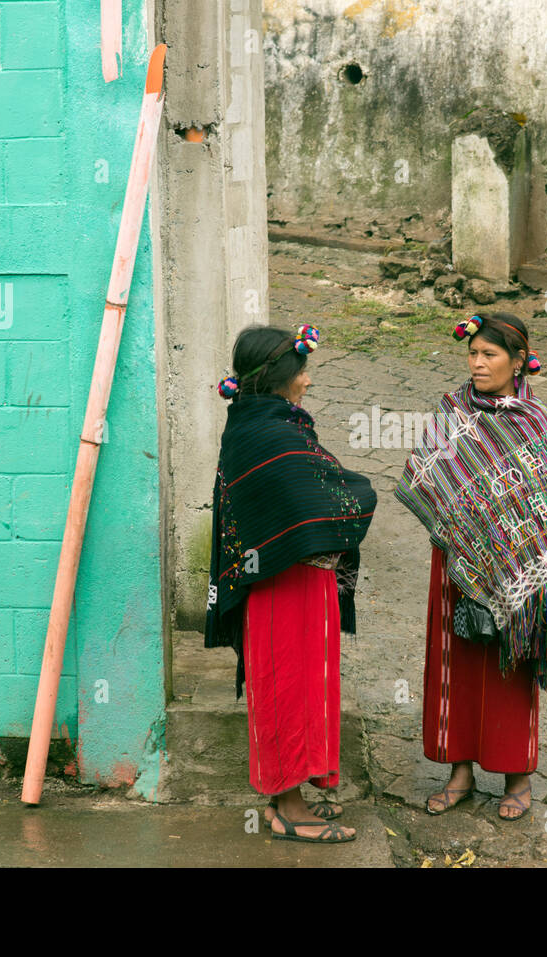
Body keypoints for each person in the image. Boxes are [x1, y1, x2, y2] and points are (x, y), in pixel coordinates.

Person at [394, 311, 547, 821]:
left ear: (519, 362)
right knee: (458, 662)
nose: (477, 363)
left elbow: (545, 505)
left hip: (518, 569)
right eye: (472, 354)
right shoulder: (451, 411)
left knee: (510, 663)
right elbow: (432, 476)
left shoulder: (537, 422)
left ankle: (517, 776)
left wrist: (521, 555)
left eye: (489, 355)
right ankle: (459, 771)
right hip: (459, 562)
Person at [205, 323, 376, 843]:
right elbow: (324, 494)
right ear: (282, 377)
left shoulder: (256, 422)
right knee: (285, 689)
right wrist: (362, 493)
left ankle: (292, 794)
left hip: (297, 582)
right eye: (302, 373)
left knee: (301, 687)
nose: (306, 382)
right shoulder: (272, 433)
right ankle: (286, 808)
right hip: (282, 586)